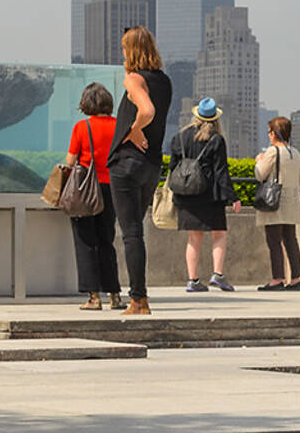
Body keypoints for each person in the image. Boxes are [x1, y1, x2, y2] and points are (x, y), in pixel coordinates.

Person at [109, 27, 172, 316]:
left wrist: (133, 131)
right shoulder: (164, 81)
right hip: (151, 165)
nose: (122, 53)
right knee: (137, 233)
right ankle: (140, 298)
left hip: (128, 163)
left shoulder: (134, 78)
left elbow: (146, 111)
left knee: (130, 233)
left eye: (124, 48)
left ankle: (138, 300)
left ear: (130, 50)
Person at [169, 98, 239, 293]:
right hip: (210, 195)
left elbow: (172, 167)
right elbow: (221, 172)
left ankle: (193, 280)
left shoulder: (179, 137)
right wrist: (233, 197)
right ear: (216, 119)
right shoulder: (217, 140)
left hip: (186, 195)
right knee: (219, 234)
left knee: (193, 238)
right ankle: (217, 274)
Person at [65, 82, 123, 311]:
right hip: (111, 190)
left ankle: (93, 297)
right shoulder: (119, 126)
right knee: (106, 241)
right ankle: (115, 294)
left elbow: (71, 160)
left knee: (86, 242)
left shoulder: (82, 127)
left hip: (86, 190)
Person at [255, 116, 300, 291]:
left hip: (274, 202)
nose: (269, 136)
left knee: (274, 241)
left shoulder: (272, 152)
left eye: (270, 132)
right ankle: (296, 279)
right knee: (291, 240)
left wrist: (258, 161)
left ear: (275, 134)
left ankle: (277, 279)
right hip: (292, 201)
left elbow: (260, 174)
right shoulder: (295, 153)